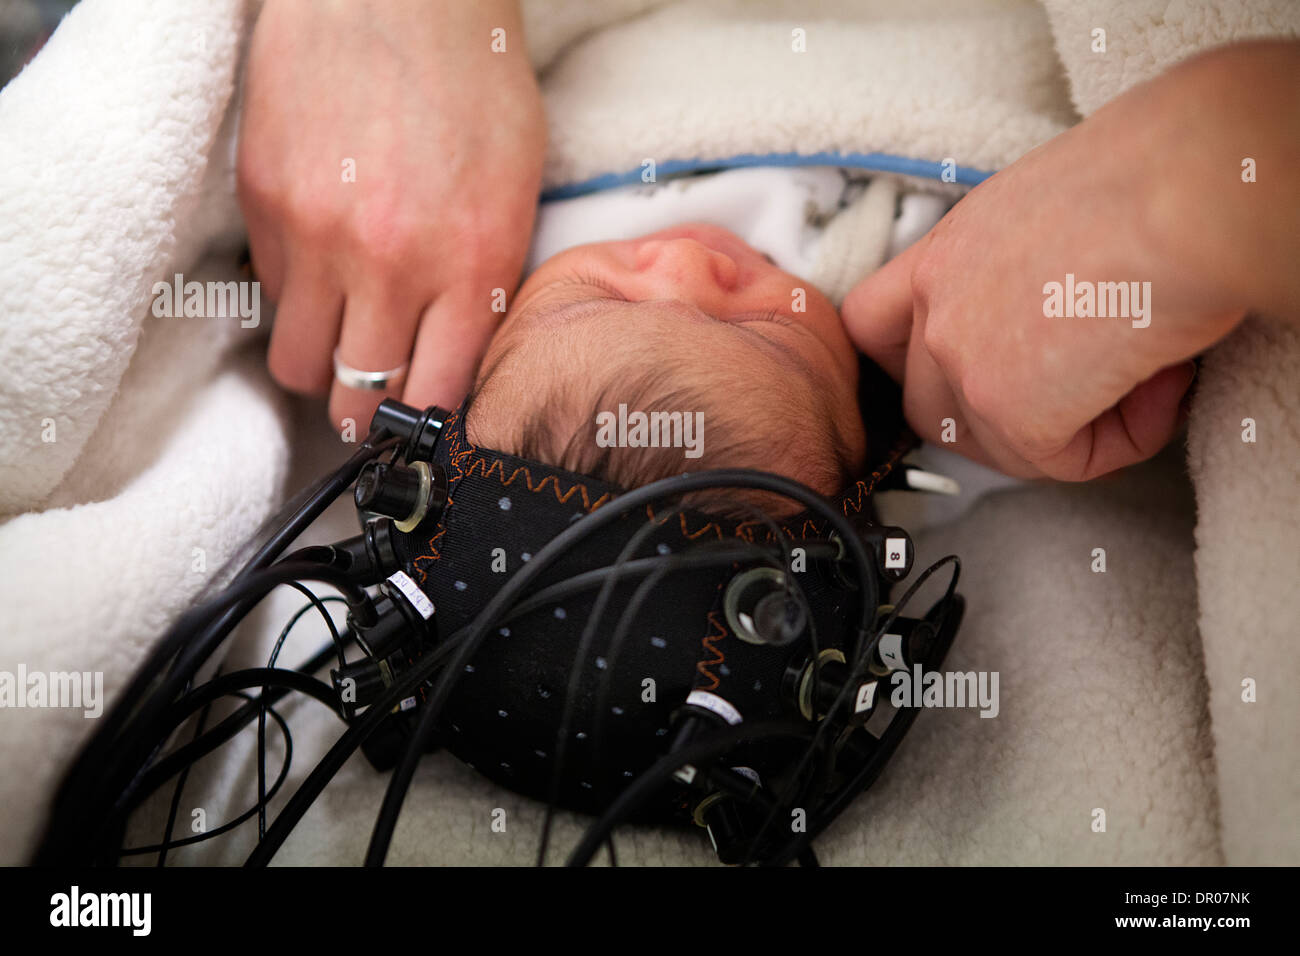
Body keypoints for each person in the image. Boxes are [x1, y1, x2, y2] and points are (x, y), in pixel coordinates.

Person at [238, 1, 1298, 483]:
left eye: (587, 300)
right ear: (874, 449)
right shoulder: (989, 346)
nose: (689, 268)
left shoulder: (450, 254)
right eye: (774, 343)